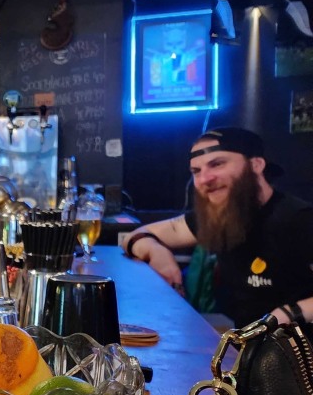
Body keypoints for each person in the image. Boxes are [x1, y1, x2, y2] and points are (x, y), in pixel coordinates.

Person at [121, 127, 313, 328]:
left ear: (256, 164)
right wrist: (156, 251)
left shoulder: (299, 219)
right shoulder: (220, 216)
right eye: (196, 171)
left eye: (217, 164)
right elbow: (135, 236)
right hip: (247, 345)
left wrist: (289, 313)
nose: (205, 179)